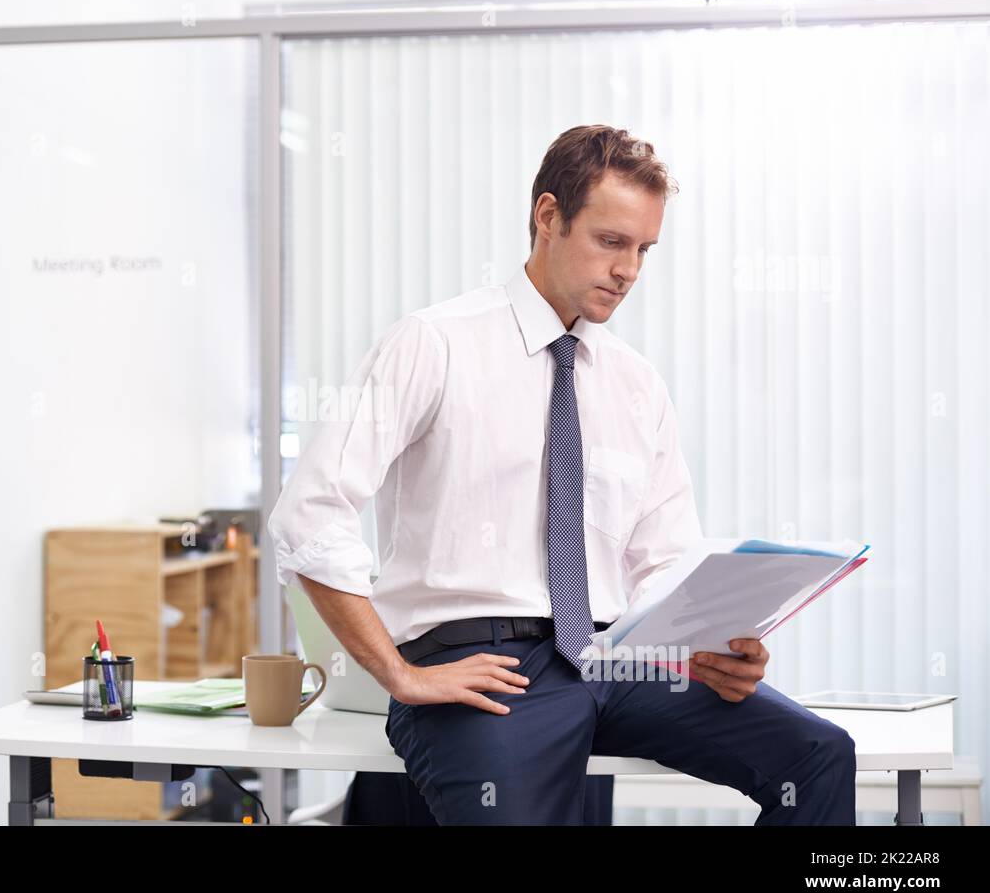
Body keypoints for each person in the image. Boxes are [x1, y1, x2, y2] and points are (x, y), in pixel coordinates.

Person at [268, 125, 856, 825]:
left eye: (643, 250)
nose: (629, 269)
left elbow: (665, 560)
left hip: (618, 664)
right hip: (486, 664)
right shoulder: (435, 344)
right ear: (548, 217)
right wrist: (396, 673)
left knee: (820, 754)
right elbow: (310, 514)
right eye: (611, 242)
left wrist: (711, 648)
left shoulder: (636, 384)